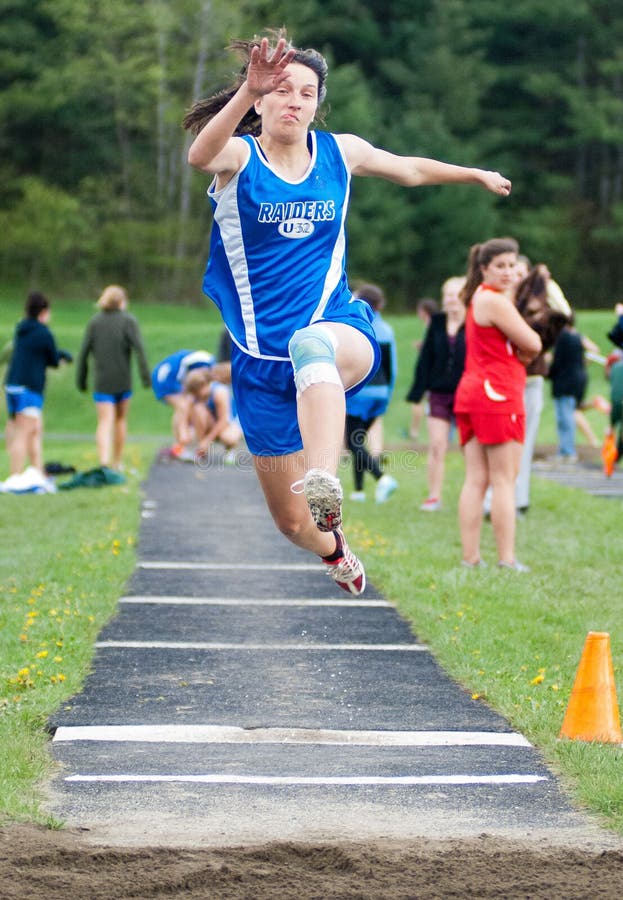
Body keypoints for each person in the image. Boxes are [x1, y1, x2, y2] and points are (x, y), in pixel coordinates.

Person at [183, 30, 512, 595]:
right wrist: (245, 92)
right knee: (292, 525)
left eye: (306, 93)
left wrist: (472, 173)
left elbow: (407, 168)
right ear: (259, 99)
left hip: (337, 328)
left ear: (317, 104)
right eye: (281, 89)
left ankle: (325, 482)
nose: (294, 100)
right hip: (260, 362)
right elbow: (200, 155)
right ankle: (332, 543)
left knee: (310, 345)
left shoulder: (340, 152)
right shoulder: (240, 158)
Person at [454, 238, 541, 571]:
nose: (508, 272)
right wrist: (528, 350)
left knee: (476, 478)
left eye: (512, 265)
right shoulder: (496, 301)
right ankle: (506, 559)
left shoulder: (476, 297)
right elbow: (533, 342)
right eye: (500, 266)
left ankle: (471, 558)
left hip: (473, 391)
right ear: (484, 268)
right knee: (504, 479)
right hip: (498, 394)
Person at [406, 276, 466, 511]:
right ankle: (433, 496)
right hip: (439, 393)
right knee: (437, 445)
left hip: (466, 393)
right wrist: (418, 391)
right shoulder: (437, 322)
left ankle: (472, 495)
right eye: (447, 295)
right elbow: (426, 359)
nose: (450, 299)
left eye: (455, 294)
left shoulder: (475, 321)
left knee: (469, 448)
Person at [75, 285, 151, 470]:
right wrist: (145, 377)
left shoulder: (94, 322)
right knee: (120, 420)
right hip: (123, 382)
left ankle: (103, 461)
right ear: (122, 302)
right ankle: (117, 461)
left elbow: (84, 352)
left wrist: (81, 379)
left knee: (104, 421)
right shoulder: (128, 321)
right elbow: (139, 349)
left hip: (102, 382)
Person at [4, 291, 73, 475]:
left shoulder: (22, 329)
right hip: (29, 388)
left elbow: (36, 354)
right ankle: (15, 476)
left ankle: (37, 471)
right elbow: (52, 359)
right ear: (43, 311)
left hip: (13, 385)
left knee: (34, 429)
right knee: (24, 432)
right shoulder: (44, 332)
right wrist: (63, 355)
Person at [344, 283, 397, 503]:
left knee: (353, 443)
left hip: (360, 393)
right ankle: (358, 492)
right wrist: (387, 397)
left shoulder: (357, 326)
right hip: (380, 393)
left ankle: (382, 478)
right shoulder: (387, 329)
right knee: (359, 441)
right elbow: (391, 368)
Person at [151, 349, 215, 458]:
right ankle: (181, 442)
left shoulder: (203, 363)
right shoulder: (205, 363)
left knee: (188, 406)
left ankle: (184, 444)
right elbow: (188, 374)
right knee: (183, 405)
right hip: (165, 381)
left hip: (170, 378)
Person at [183, 367, 243, 463]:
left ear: (204, 385)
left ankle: (229, 451)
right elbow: (186, 418)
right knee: (198, 410)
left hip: (228, 423)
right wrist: (184, 434)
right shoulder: (194, 396)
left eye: (196, 391)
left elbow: (223, 420)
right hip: (211, 422)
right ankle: (201, 451)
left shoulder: (219, 392)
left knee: (229, 438)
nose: (196, 395)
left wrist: (207, 441)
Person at [408, 297, 439, 441]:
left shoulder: (431, 324)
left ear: (424, 311)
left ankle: (414, 432)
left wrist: (422, 347)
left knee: (418, 400)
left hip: (428, 369)